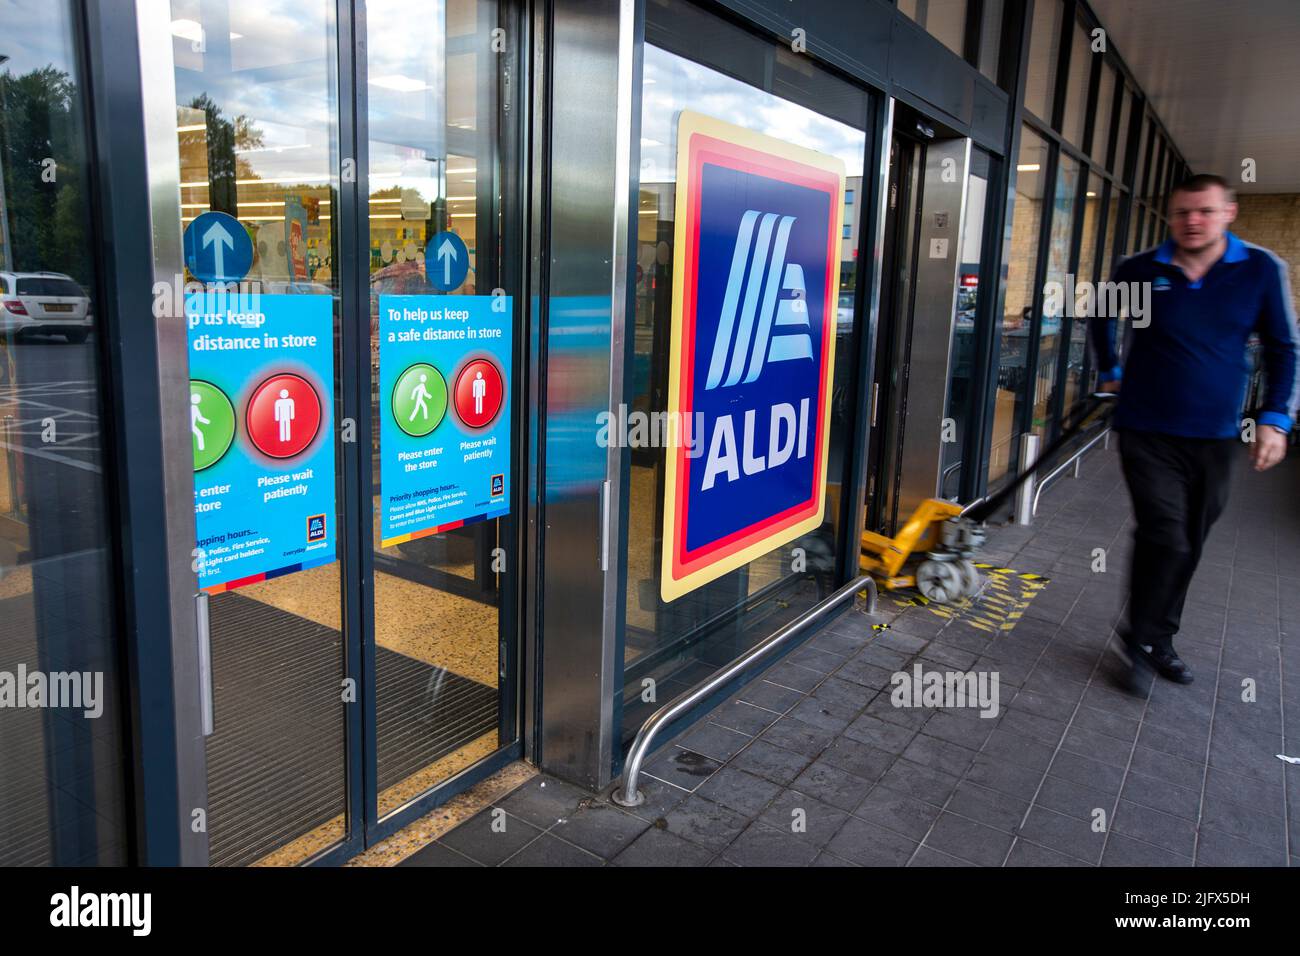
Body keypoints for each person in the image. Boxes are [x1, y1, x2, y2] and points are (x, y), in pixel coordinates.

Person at [1090, 173, 1298, 686]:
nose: (1192, 221)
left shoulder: (1259, 270)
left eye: (1204, 211)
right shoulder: (1143, 269)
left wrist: (1275, 419)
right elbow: (1101, 313)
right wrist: (1111, 371)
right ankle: (1137, 640)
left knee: (1191, 539)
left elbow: (1283, 348)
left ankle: (1159, 637)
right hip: (1145, 427)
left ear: (1229, 212)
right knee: (1167, 534)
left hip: (1216, 435)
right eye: (1183, 212)